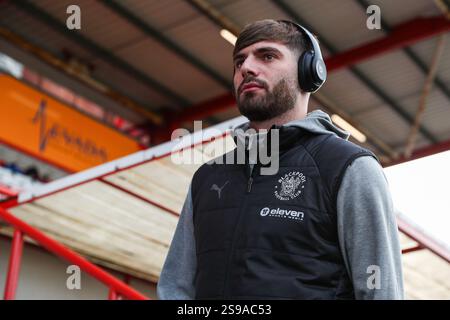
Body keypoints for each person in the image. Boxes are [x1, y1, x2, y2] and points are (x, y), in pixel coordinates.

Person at [157, 19, 404, 300]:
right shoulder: (208, 177)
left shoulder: (349, 167)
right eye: (239, 62)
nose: (246, 68)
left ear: (308, 72)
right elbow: (176, 288)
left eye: (267, 56)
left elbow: (380, 292)